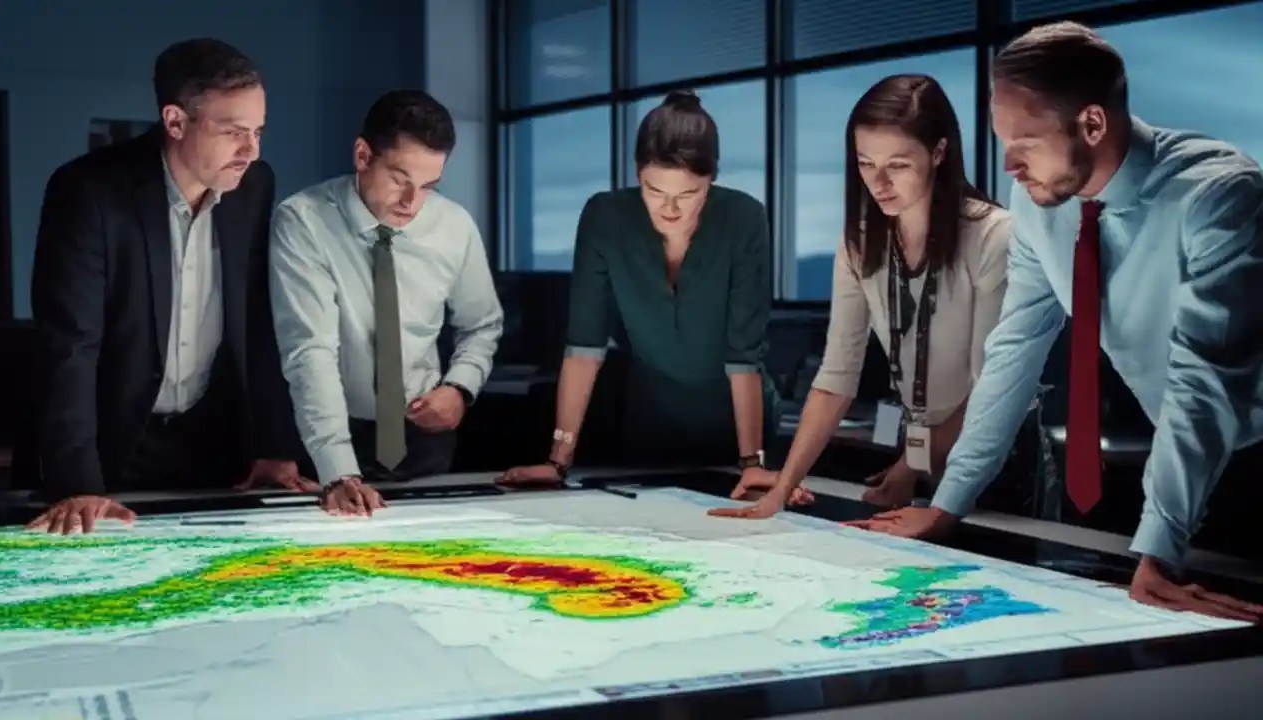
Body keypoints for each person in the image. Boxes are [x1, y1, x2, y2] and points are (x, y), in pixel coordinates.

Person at [849, 22, 1263, 622]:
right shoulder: (1039, 204)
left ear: (1092, 124)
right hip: (1176, 467)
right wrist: (948, 504)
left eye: (1026, 141)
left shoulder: (1219, 195)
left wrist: (1159, 549)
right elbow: (1013, 349)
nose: (1009, 166)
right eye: (1001, 140)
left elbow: (1205, 381)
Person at [25, 38, 308, 535]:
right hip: (109, 446)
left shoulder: (254, 186)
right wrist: (77, 482)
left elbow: (259, 324)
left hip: (216, 447)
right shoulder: (88, 192)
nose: (251, 150)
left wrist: (273, 446)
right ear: (175, 121)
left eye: (259, 131)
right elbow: (69, 346)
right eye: (234, 132)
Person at [709, 74, 1011, 518]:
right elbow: (836, 378)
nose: (879, 182)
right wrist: (781, 491)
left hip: (998, 462)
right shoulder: (860, 243)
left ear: (940, 152)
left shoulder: (993, 236)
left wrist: (911, 465)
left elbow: (992, 391)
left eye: (898, 165)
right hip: (922, 452)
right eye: (866, 163)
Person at [498, 91, 786, 491]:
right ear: (637, 173)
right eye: (655, 191)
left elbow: (743, 356)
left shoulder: (743, 218)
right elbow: (584, 346)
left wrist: (751, 462)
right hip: (649, 426)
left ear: (711, 179)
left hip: (740, 431)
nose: (671, 209)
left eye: (688, 194)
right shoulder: (606, 217)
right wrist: (558, 459)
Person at [270, 90, 504, 518]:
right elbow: (310, 350)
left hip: (423, 440)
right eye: (400, 178)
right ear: (363, 155)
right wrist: (338, 471)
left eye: (429, 186)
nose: (412, 203)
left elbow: (482, 324)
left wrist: (460, 387)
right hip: (329, 440)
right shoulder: (303, 220)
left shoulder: (454, 225)